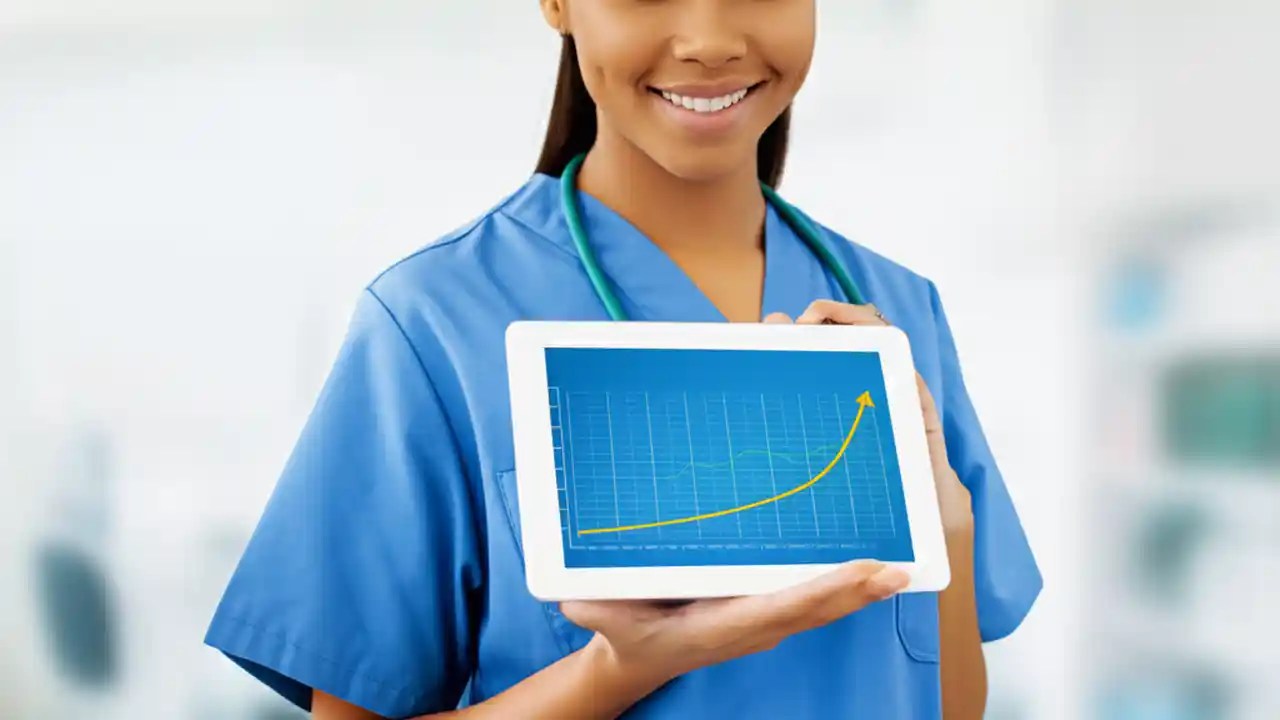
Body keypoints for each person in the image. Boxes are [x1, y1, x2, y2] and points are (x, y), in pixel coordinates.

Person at [203, 1, 1042, 718]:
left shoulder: (897, 312)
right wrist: (619, 670)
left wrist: (950, 531)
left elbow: (945, 699)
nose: (709, 39)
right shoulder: (433, 323)